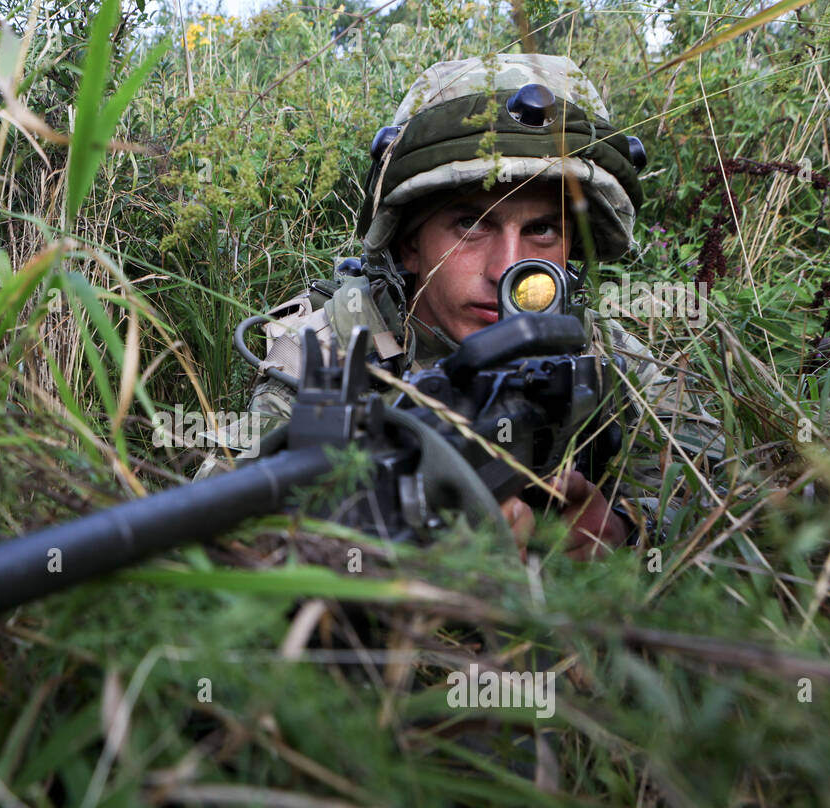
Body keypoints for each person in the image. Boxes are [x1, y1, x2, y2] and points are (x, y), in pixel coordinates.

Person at [204, 53, 722, 560]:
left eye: (542, 229)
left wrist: (628, 528)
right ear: (410, 244)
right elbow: (216, 522)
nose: (508, 269)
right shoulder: (328, 350)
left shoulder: (605, 350)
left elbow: (732, 492)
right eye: (471, 226)